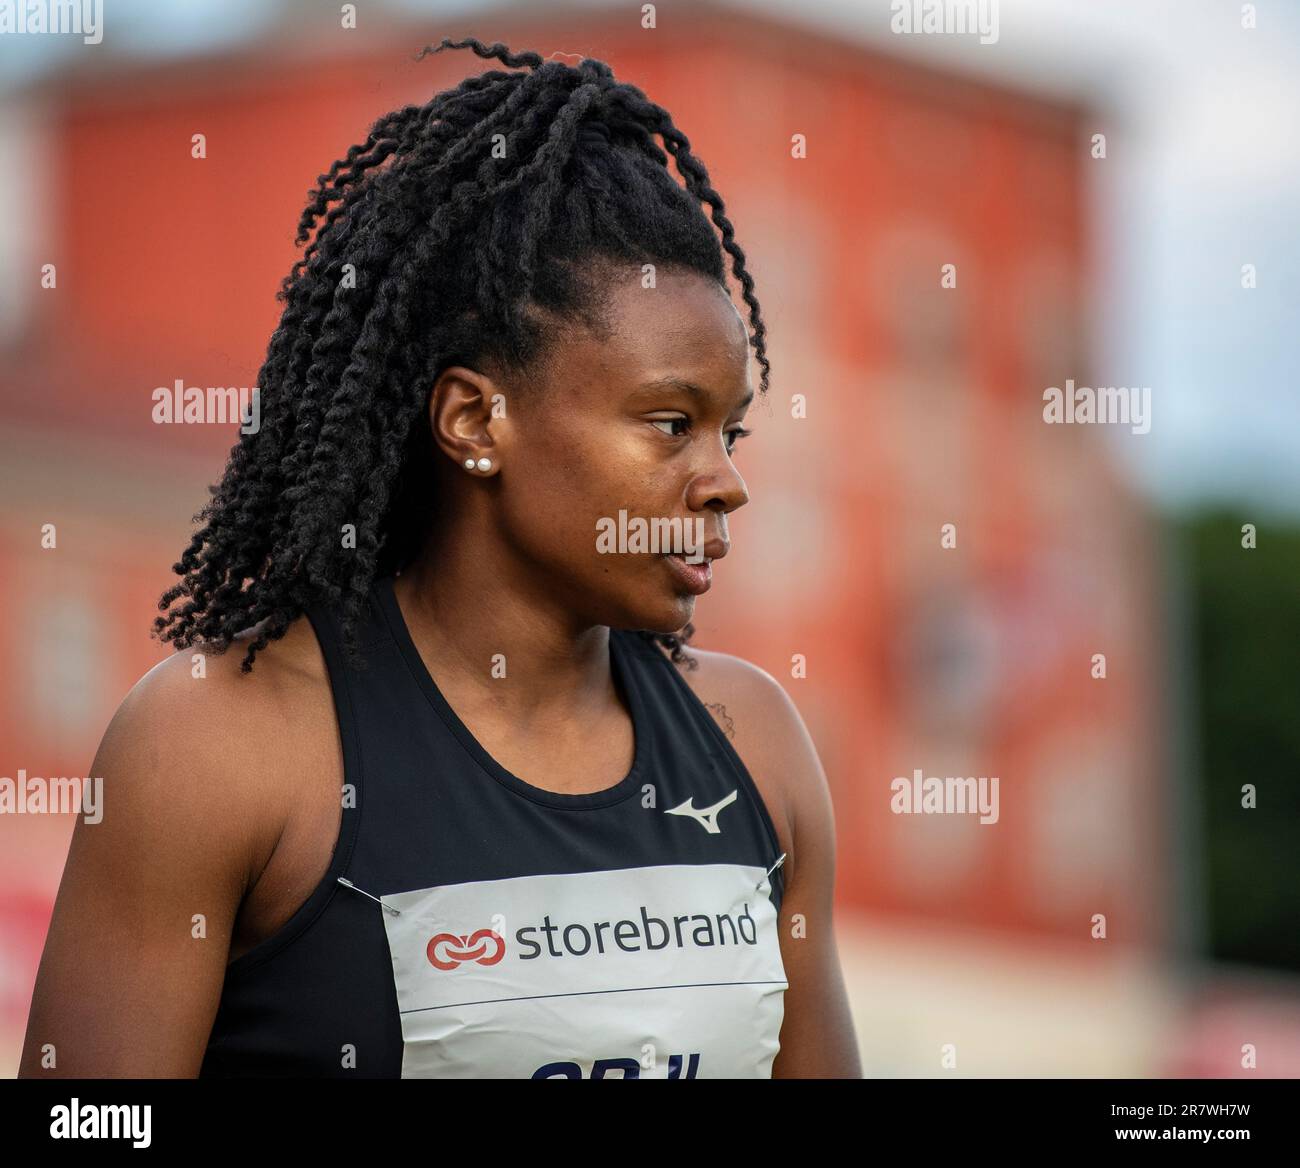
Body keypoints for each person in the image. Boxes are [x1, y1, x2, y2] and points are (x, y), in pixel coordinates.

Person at [20, 37, 861, 1079]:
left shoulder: (756, 749)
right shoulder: (218, 750)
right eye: (666, 422)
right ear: (475, 419)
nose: (724, 479)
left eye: (728, 431)